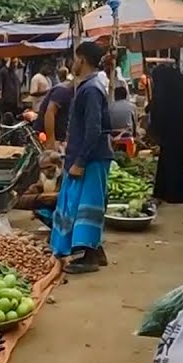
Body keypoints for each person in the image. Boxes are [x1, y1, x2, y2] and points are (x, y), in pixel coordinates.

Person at [51, 41, 114, 274]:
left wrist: (80, 161)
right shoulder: (90, 85)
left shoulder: (91, 89)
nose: (72, 63)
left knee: (85, 207)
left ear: (82, 60)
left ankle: (88, 257)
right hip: (85, 156)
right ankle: (95, 251)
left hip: (91, 159)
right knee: (81, 205)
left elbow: (93, 129)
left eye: (74, 58)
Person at [148, 64, 183, 203]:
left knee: (168, 163)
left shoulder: (162, 91)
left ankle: (167, 192)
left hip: (170, 135)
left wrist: (156, 133)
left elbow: (158, 114)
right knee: (182, 164)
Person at [39, 76, 74, 146]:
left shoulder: (74, 92)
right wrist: (51, 141)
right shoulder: (63, 90)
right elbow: (50, 113)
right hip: (50, 137)